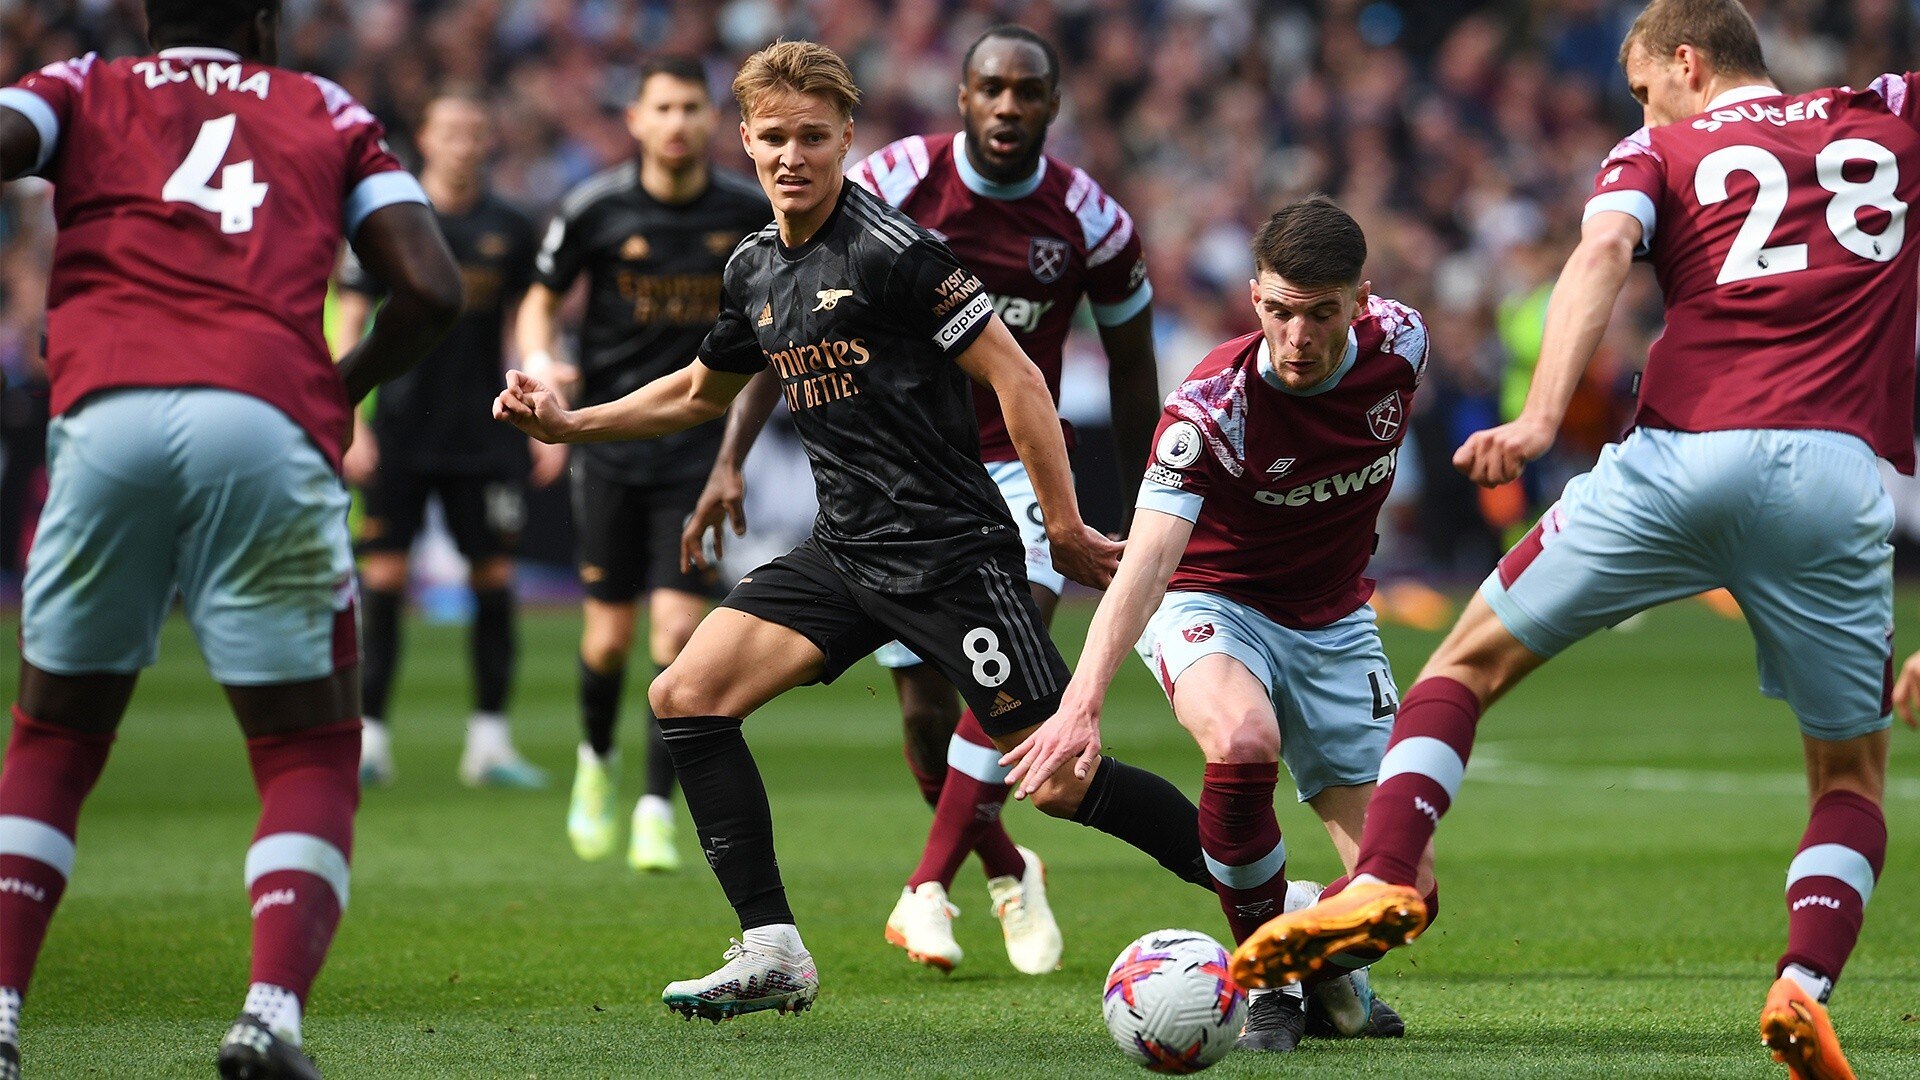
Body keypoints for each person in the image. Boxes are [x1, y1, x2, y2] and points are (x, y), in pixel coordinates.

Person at [1232, 4, 1913, 1077]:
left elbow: (1601, 248)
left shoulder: (1661, 146)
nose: (1637, 104)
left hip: (1679, 454)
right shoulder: (1888, 113)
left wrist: (1542, 417)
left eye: (1643, 85)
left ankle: (1387, 876)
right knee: (1849, 776)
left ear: (1685, 64)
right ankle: (1803, 982)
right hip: (1836, 474)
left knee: (1463, 664)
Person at [497, 40, 1218, 1022]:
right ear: (744, 141)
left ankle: (1270, 905)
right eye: (774, 138)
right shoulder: (754, 262)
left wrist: (1059, 527)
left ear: (846, 139)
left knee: (1060, 779)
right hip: (847, 553)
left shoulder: (894, 251)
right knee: (687, 694)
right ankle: (773, 949)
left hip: (951, 554)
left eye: (813, 137)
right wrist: (571, 423)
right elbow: (704, 389)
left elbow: (1018, 378)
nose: (792, 156)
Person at [0, 0, 463, 1075]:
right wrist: (336, 387)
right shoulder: (327, 106)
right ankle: (266, 1017)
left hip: (104, 406)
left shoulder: (83, 87)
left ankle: (5, 1016)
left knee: (56, 740)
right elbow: (430, 287)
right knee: (304, 748)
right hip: (263, 412)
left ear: (147, 17)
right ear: (264, 21)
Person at [679, 24, 1160, 977]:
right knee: (924, 723)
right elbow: (788, 323)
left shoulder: (1092, 220)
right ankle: (1006, 866)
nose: (1010, 107)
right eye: (992, 88)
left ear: (1054, 106)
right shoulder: (898, 178)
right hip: (879, 495)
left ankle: (927, 880)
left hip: (1011, 472)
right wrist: (727, 456)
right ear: (965, 98)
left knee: (1019, 662)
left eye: (1029, 92)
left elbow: (1131, 361)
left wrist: (1146, 501)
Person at [1049, 197, 1430, 1050]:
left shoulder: (1404, 344)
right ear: (1255, 295)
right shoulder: (1209, 410)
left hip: (1336, 622)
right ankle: (1268, 981)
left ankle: (1326, 964)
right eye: (1279, 311)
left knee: (1405, 896)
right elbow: (1146, 563)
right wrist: (1084, 700)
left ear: (1361, 302)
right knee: (1245, 739)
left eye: (1321, 313)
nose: (1296, 337)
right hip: (1210, 599)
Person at [513, 56, 771, 871]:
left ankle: (658, 807)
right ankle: (596, 765)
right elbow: (541, 297)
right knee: (605, 641)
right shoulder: (595, 208)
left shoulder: (745, 210)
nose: (678, 122)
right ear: (636, 119)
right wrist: (540, 358)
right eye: (663, 107)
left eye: (692, 107)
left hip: (698, 450)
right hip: (609, 445)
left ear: (710, 121)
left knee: (675, 632)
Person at [333, 93, 554, 791]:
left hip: (484, 430)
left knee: (494, 579)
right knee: (384, 579)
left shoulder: (511, 227)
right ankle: (370, 740)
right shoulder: (389, 223)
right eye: (450, 129)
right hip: (398, 430)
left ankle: (488, 744)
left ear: (487, 141)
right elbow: (352, 316)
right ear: (424, 137)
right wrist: (350, 416)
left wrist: (545, 409)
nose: (463, 141)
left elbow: (528, 325)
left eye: (475, 130)